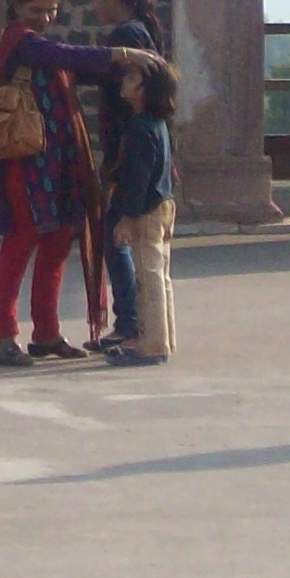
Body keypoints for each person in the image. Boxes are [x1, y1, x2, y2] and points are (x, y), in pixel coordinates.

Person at [0, 0, 152, 368]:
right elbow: (66, 56)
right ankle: (6, 336)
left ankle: (46, 333)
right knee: (20, 242)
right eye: (37, 10)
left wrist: (131, 64)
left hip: (55, 160)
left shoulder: (41, 48)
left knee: (57, 242)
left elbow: (78, 66)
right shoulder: (17, 40)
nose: (45, 18)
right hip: (23, 160)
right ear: (18, 7)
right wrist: (120, 55)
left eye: (51, 10)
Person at [83, 0, 161, 352]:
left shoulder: (127, 36)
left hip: (127, 150)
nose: (96, 7)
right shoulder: (143, 30)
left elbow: (110, 79)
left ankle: (128, 322)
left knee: (117, 237)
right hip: (134, 147)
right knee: (125, 241)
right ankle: (135, 322)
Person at [102, 54, 181, 367]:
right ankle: (163, 338)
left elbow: (138, 177)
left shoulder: (139, 127)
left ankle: (150, 345)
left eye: (132, 78)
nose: (125, 81)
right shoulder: (157, 124)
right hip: (164, 203)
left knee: (147, 279)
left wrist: (126, 217)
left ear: (145, 90)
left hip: (147, 209)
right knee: (160, 276)